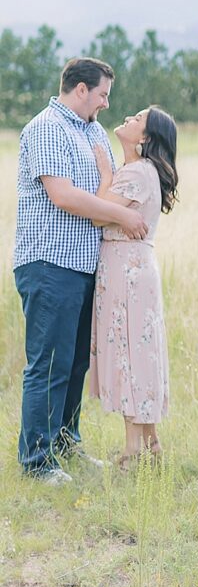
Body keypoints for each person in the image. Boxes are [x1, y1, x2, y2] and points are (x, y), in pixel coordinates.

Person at [14, 57, 147, 484]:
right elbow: (65, 196)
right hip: (50, 262)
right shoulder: (46, 128)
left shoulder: (91, 132)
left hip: (86, 265)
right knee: (48, 364)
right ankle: (37, 460)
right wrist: (122, 216)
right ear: (81, 89)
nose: (107, 103)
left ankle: (66, 442)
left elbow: (101, 189)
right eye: (104, 93)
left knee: (74, 365)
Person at [88, 107, 179, 467]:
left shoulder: (137, 173)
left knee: (129, 351)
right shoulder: (141, 171)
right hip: (132, 268)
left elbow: (97, 213)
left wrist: (106, 174)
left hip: (126, 270)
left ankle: (131, 452)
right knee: (141, 350)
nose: (128, 117)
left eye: (138, 119)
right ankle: (151, 442)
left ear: (144, 138)